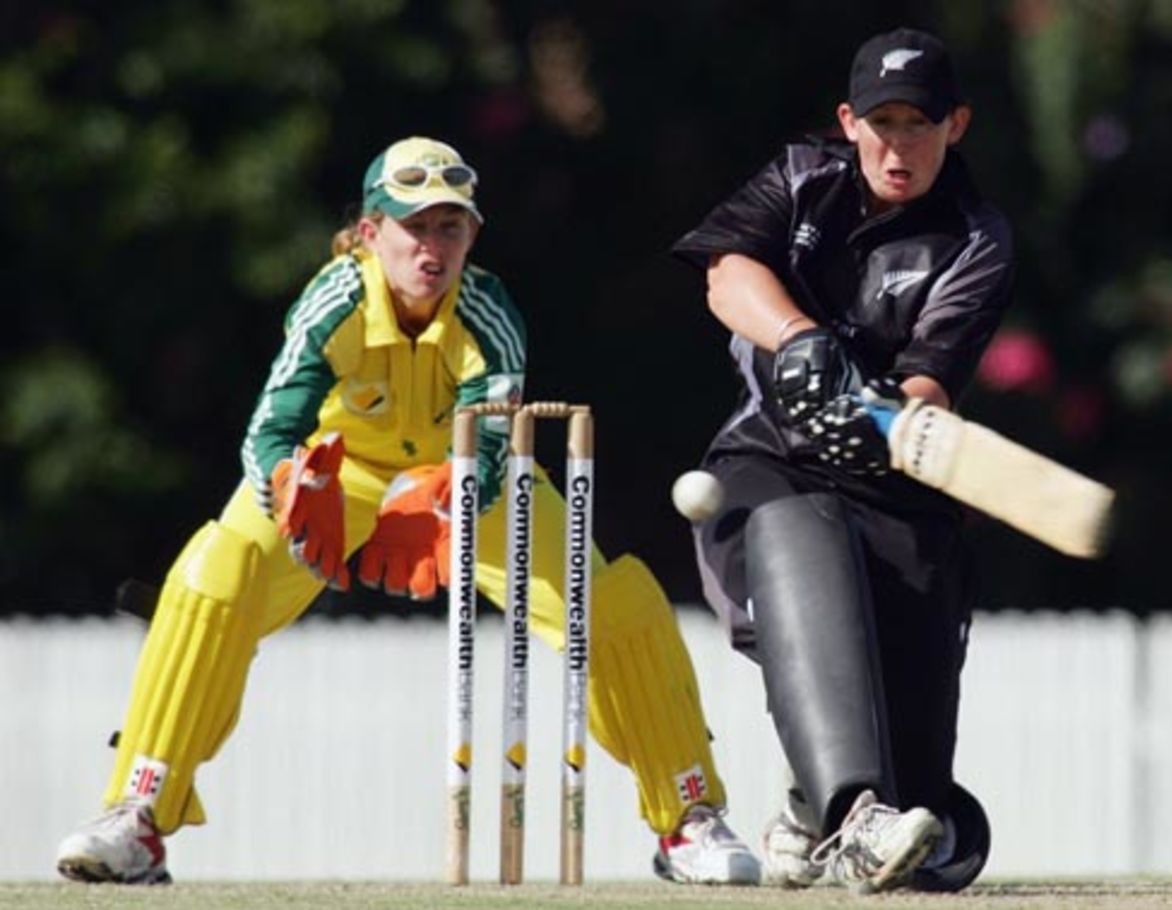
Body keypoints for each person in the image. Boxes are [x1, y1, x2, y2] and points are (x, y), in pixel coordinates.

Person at [56, 136, 759, 886]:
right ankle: (138, 815)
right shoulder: (335, 301)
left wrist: (448, 500)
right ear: (370, 233)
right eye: (413, 226)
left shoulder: (487, 312)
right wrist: (292, 489)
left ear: (471, 236)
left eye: (449, 227)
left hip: (463, 481)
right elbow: (270, 432)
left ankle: (689, 819)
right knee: (212, 581)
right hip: (337, 474)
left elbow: (493, 450)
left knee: (613, 606)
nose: (432, 246)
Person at [672, 28, 1014, 894]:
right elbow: (726, 274)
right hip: (765, 467)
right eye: (882, 124)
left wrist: (883, 416)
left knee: (923, 820)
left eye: (919, 125)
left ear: (956, 125)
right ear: (849, 122)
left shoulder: (976, 238)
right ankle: (850, 815)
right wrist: (799, 340)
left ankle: (812, 806)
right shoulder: (801, 177)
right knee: (801, 530)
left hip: (896, 490)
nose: (898, 147)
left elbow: (931, 385)